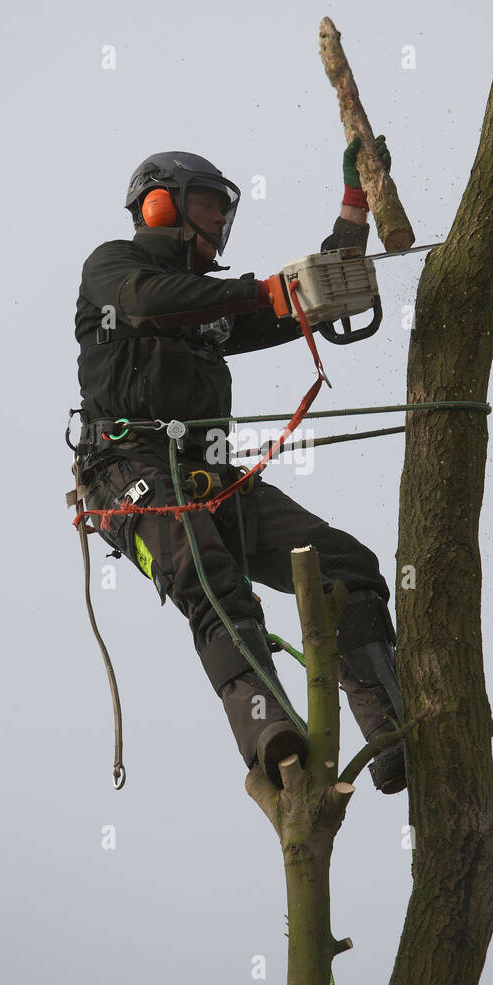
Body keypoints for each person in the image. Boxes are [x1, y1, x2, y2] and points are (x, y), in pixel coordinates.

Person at [73, 142, 407, 792]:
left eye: (221, 214)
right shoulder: (114, 268)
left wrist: (355, 205)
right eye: (203, 207)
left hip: (210, 478)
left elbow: (310, 297)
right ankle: (272, 737)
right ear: (158, 204)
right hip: (124, 473)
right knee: (212, 582)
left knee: (344, 565)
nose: (215, 225)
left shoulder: (214, 306)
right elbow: (149, 301)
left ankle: (392, 729)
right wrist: (258, 293)